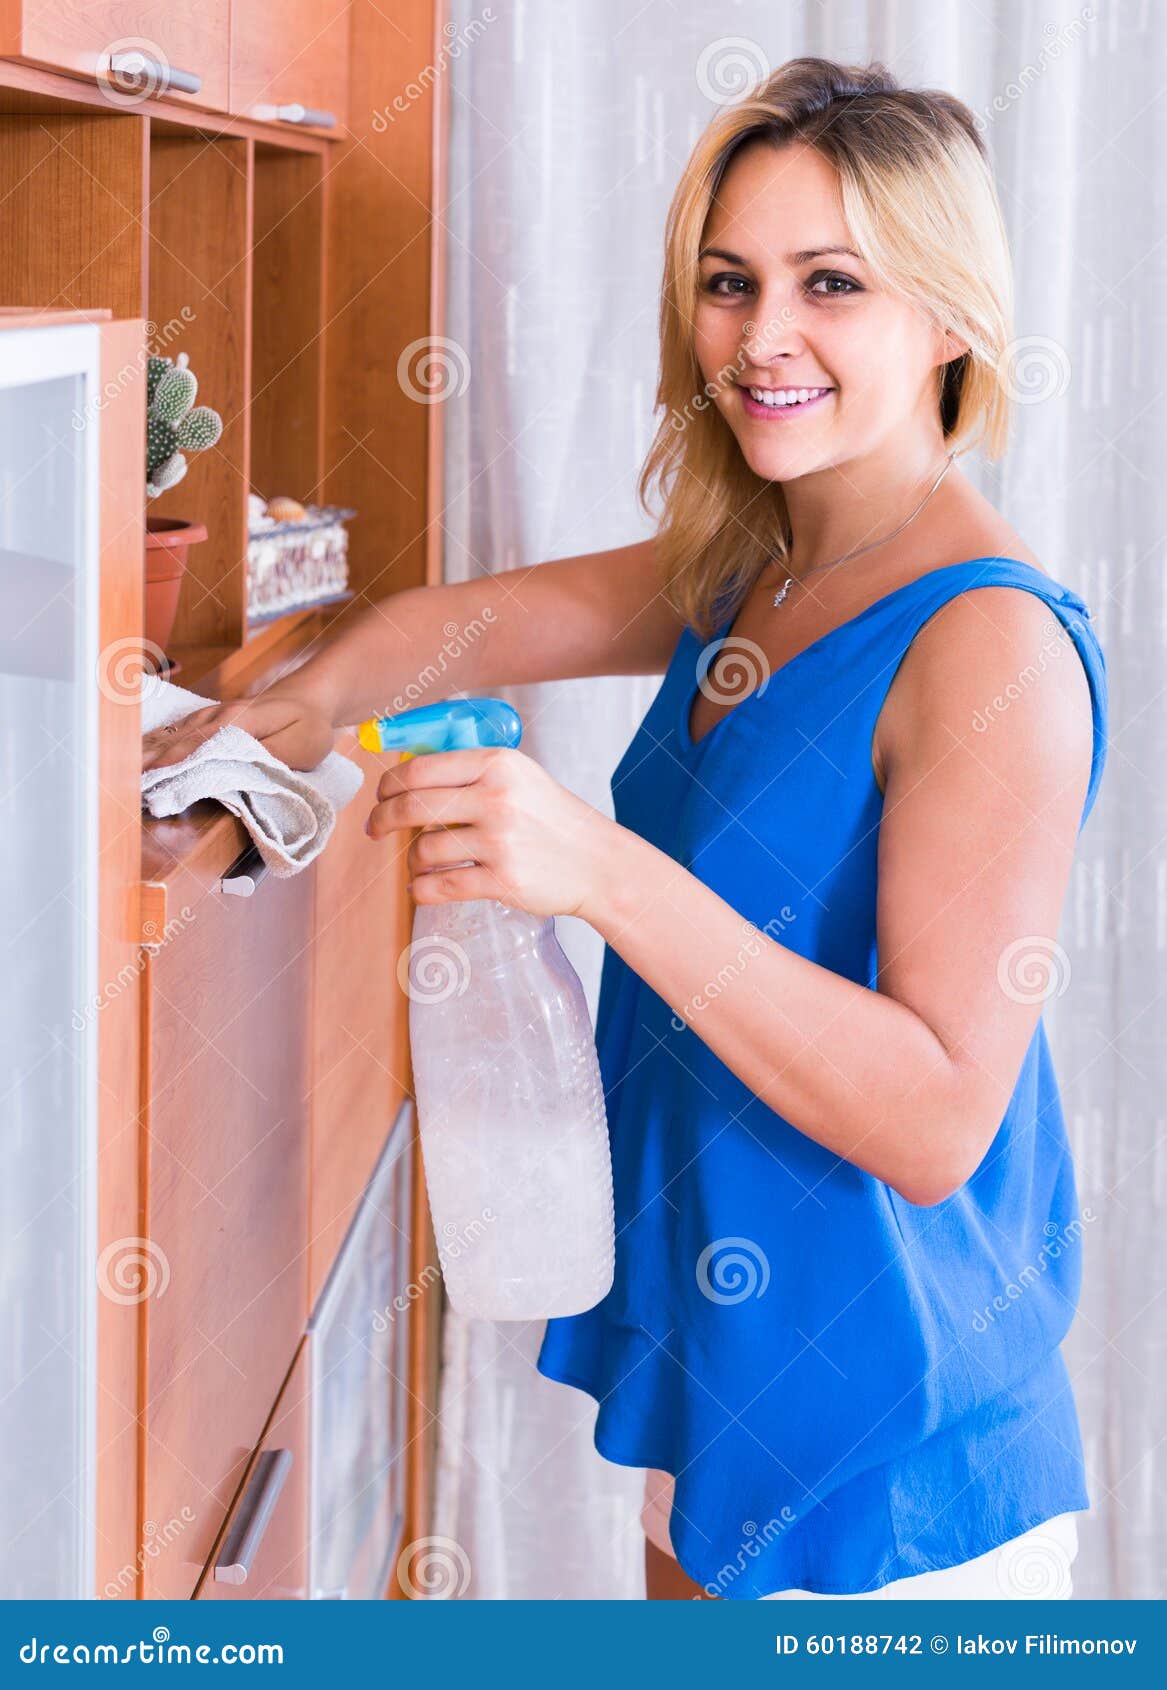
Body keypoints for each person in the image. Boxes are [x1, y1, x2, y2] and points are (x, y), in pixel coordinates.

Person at [142, 56, 1107, 1601]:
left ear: (950, 319)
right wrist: (239, 740)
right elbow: (450, 629)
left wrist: (598, 871)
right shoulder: (756, 569)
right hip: (727, 1398)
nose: (761, 336)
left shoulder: (989, 645)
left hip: (900, 1485)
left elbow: (937, 1119)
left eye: (830, 283)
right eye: (730, 282)